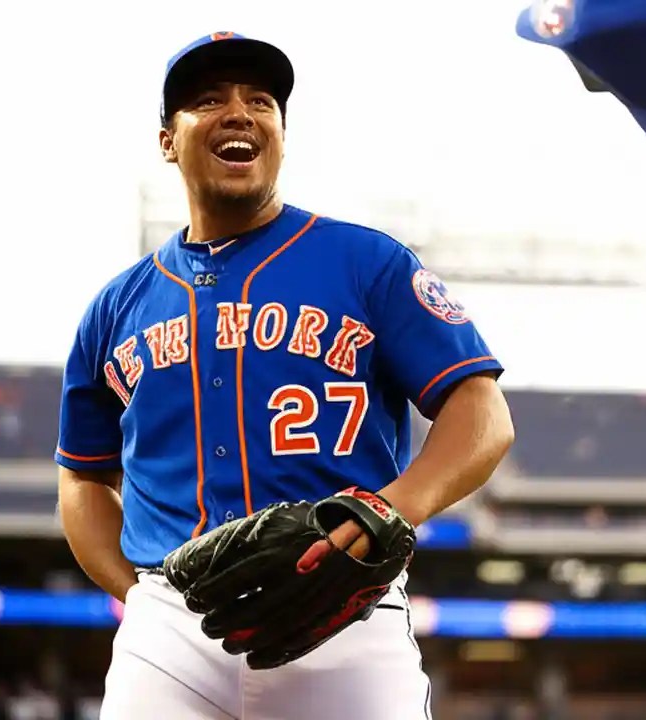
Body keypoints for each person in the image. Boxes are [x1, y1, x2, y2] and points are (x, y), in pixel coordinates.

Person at [54, 31, 515, 720]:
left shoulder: (369, 263)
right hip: (171, 631)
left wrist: (391, 509)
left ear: (280, 136)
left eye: (260, 101)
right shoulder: (114, 309)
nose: (238, 111)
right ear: (167, 141)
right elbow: (84, 478)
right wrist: (143, 594)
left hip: (340, 608)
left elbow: (482, 415)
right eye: (208, 100)